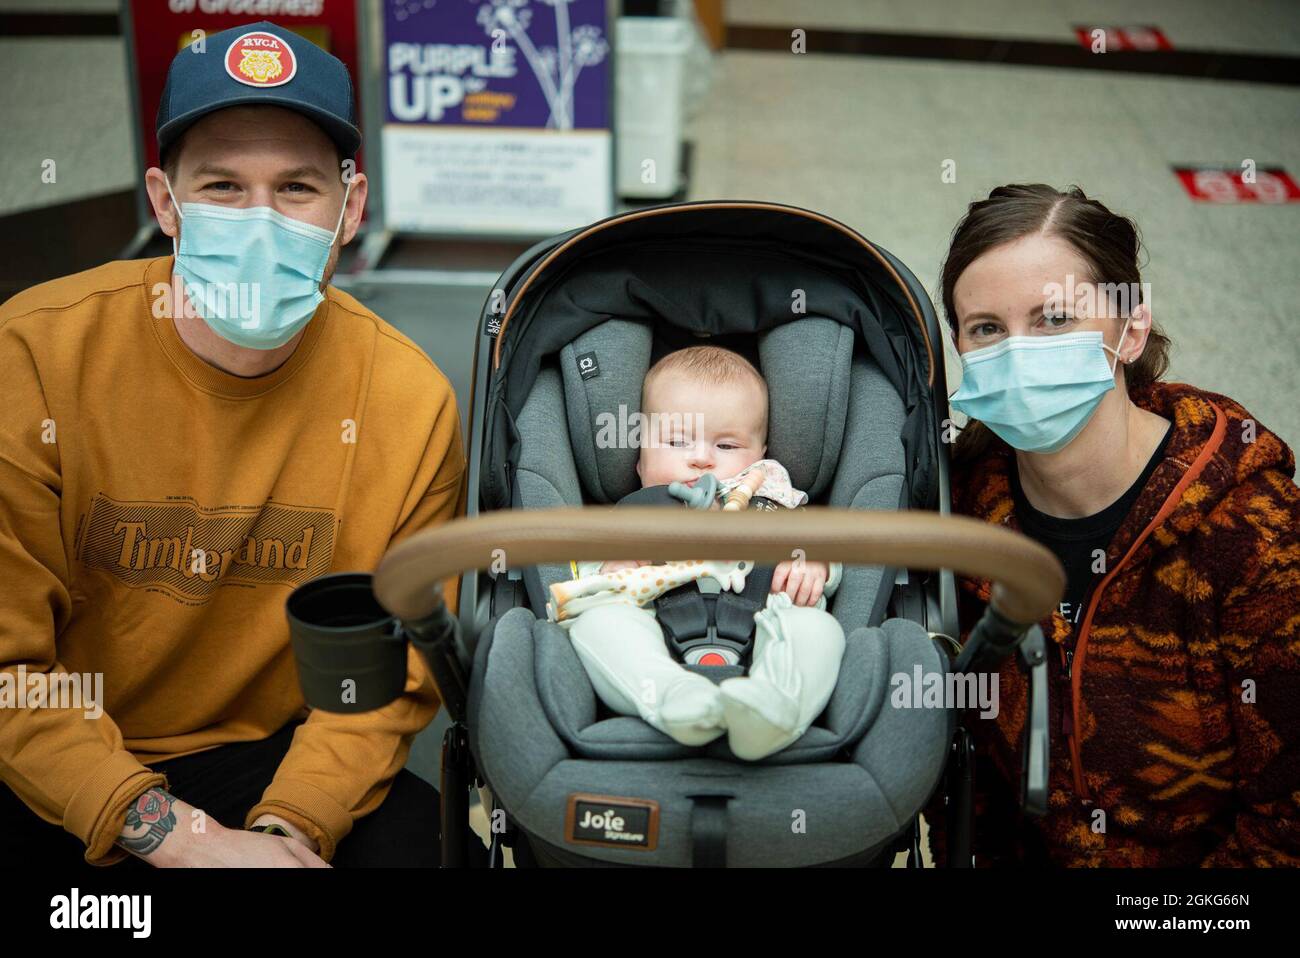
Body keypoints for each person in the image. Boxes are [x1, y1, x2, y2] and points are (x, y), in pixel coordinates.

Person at [0, 21, 481, 867]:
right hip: (57, 761)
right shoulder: (33, 358)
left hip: (269, 760)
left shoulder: (407, 403)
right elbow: (9, 669)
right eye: (222, 186)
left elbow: (385, 676)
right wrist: (180, 842)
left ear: (351, 207)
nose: (260, 222)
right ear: (164, 203)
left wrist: (288, 830)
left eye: (297, 188)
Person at [928, 183, 1299, 866]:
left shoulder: (1254, 535)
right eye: (987, 329)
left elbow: (1287, 828)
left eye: (1053, 318)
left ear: (1129, 330)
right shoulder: (959, 510)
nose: (1018, 353)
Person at [558, 346, 847, 760]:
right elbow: (578, 588)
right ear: (640, 461)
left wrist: (813, 561)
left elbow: (833, 558)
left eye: (727, 446)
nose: (701, 459)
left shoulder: (776, 508)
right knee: (598, 624)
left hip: (766, 629)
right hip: (653, 635)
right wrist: (608, 569)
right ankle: (675, 699)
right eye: (676, 440)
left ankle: (773, 709)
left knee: (818, 632)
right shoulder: (626, 520)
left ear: (761, 457)